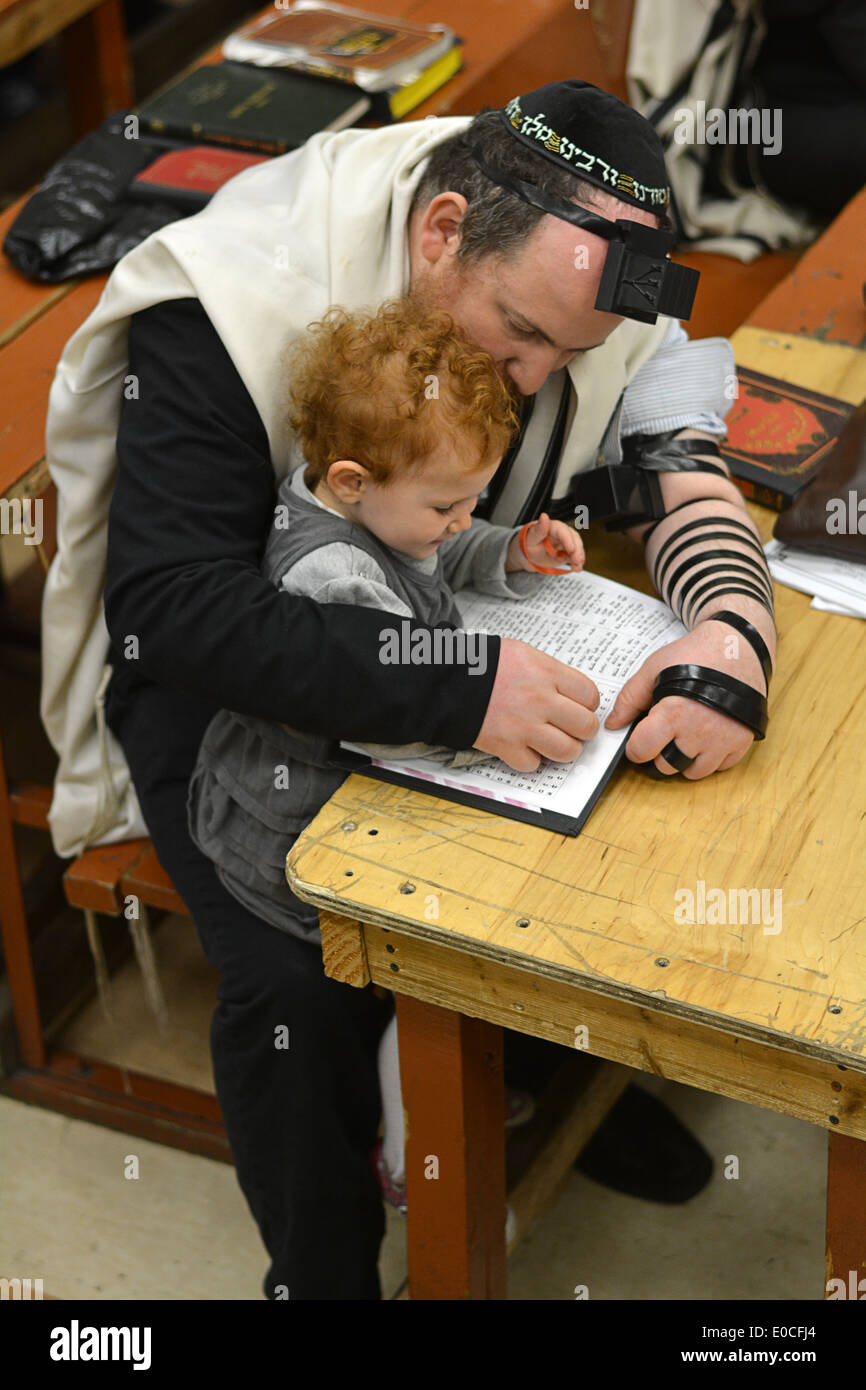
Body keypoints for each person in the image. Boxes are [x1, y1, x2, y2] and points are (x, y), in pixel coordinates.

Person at [42, 79, 777, 1298]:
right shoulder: (225, 301)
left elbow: (683, 477)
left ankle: (537, 1070)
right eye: (518, 334)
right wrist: (451, 689)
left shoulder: (584, 282)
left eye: (567, 354)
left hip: (444, 606)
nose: (537, 380)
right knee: (299, 970)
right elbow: (173, 614)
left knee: (602, 815)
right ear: (441, 232)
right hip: (226, 703)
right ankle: (320, 1267)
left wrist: (729, 647)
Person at [186, 295, 585, 1214]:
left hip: (364, 785)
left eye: (476, 497)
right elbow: (390, 709)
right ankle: (415, 1163)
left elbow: (441, 554)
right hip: (295, 831)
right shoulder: (332, 573)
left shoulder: (391, 512)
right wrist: (501, 724)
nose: (464, 516)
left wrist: (511, 551)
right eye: (451, 502)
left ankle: (454, 1090)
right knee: (434, 981)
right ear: (353, 480)